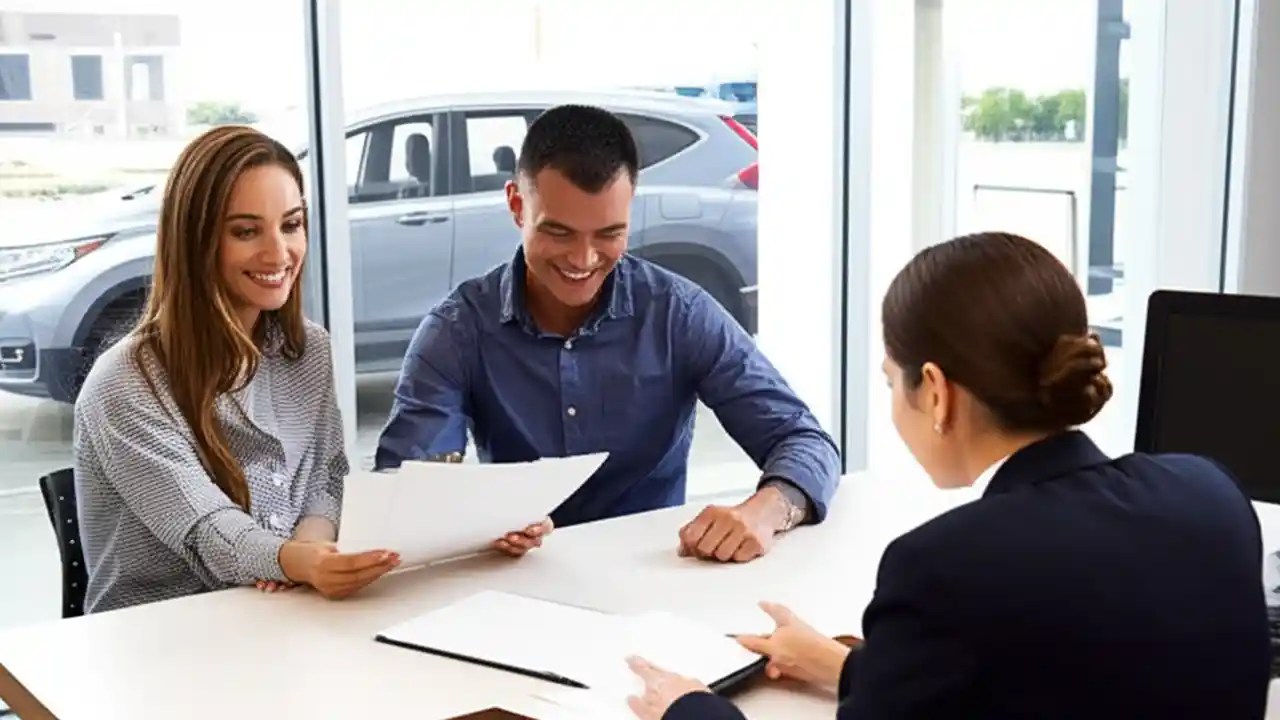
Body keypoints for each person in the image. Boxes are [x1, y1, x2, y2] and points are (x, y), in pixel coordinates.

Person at [629, 232, 1271, 719]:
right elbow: (1060, 675)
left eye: (890, 380)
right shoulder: (1212, 494)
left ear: (935, 392)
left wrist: (688, 709)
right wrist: (849, 667)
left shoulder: (946, 566)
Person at [376, 104, 839, 561]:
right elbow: (407, 495)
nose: (583, 259)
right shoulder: (456, 332)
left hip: (658, 577)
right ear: (518, 205)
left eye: (608, 234)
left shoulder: (679, 313)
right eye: (558, 232)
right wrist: (475, 521)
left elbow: (805, 442)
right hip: (515, 585)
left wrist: (766, 511)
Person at [74, 126, 400, 613]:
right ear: (197, 241)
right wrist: (292, 562)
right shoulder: (123, 384)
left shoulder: (308, 350)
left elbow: (325, 480)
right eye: (246, 231)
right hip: (156, 643)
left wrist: (309, 551)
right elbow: (208, 529)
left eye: (291, 225)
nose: (279, 253)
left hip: (280, 615)